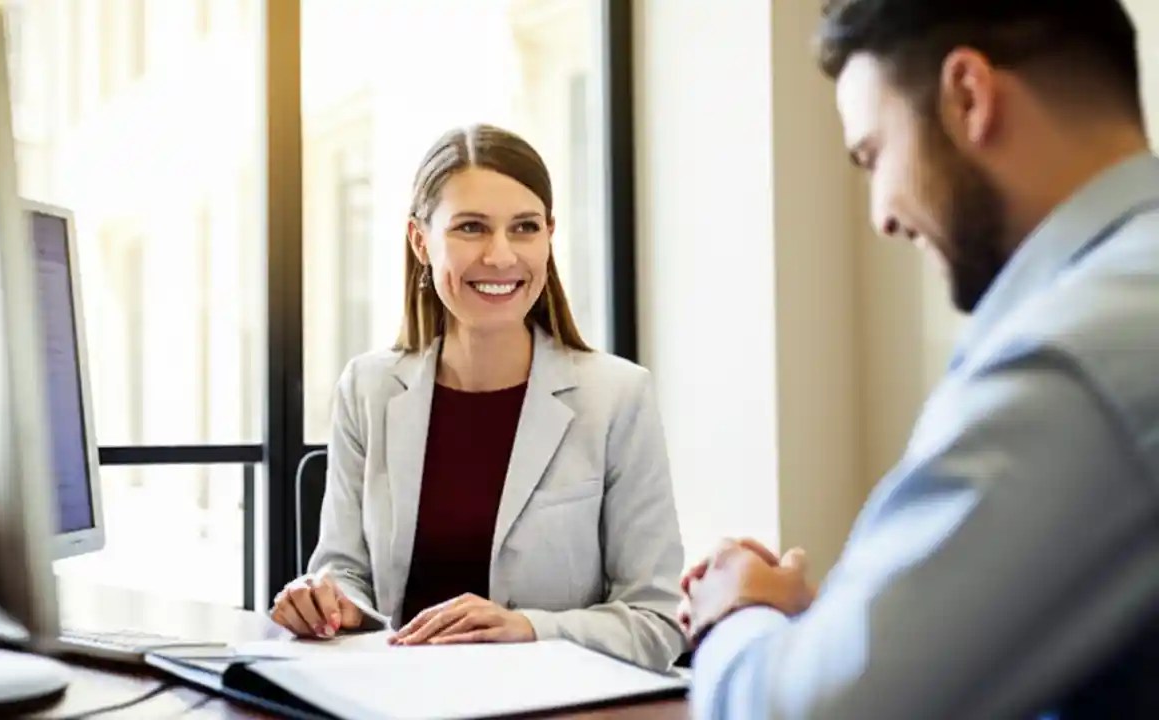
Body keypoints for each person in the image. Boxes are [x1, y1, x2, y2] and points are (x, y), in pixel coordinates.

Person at [683, 1, 1159, 717]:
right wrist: (857, 620)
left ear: (969, 95)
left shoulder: (1075, 358)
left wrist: (734, 614)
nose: (882, 214)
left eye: (873, 155)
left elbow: (811, 714)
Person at [270, 124, 686, 671]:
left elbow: (656, 621)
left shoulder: (617, 397)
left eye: (524, 228)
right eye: (471, 228)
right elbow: (345, 573)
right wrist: (327, 603)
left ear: (548, 235)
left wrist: (531, 628)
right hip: (399, 702)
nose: (501, 255)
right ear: (421, 240)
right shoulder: (368, 390)